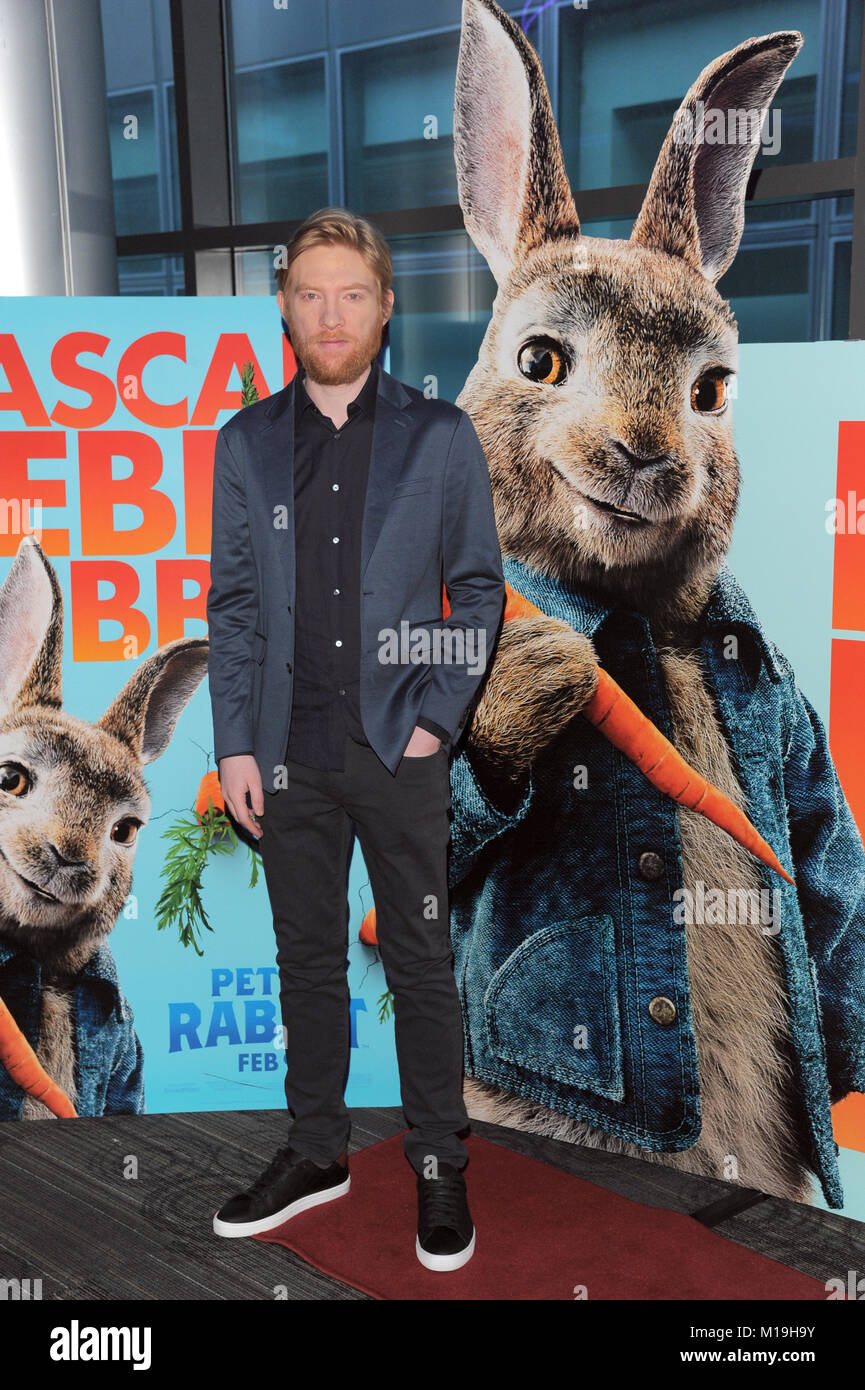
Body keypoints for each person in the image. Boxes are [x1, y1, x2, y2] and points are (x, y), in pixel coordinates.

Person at [205, 207, 505, 1271]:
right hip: (288, 754)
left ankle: (437, 1159)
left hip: (399, 752)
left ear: (385, 307)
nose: (330, 314)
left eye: (353, 293)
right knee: (307, 961)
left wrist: (436, 720)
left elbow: (477, 593)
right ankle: (316, 1148)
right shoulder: (244, 445)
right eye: (309, 293)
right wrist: (234, 743)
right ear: (284, 306)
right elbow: (235, 606)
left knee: (421, 959)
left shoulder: (439, 437)